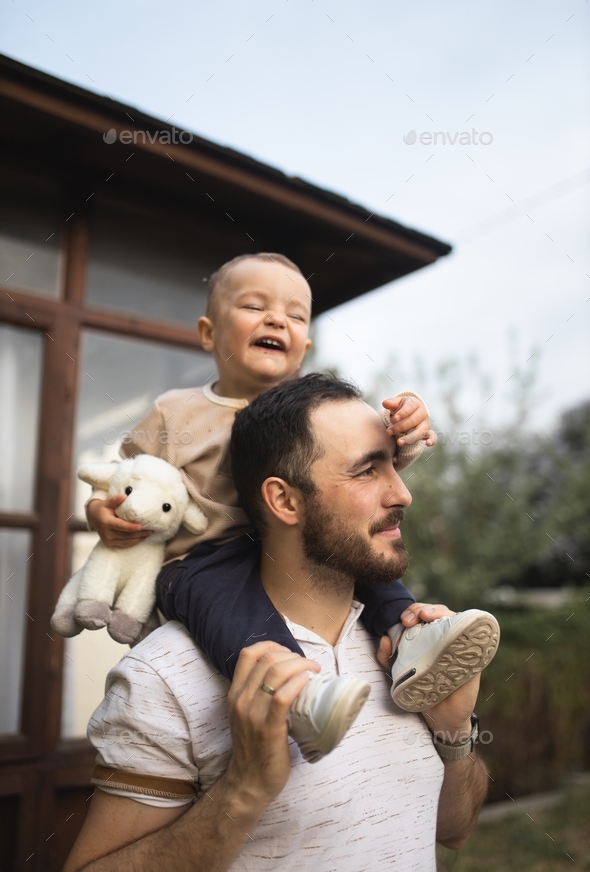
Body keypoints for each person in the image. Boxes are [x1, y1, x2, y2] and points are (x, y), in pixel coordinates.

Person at [65, 374, 490, 872]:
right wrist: (243, 790)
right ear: (284, 500)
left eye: (393, 467)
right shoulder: (164, 677)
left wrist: (455, 731)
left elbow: (454, 832)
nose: (403, 494)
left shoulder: (409, 652)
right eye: (366, 472)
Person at [85, 252, 499, 760]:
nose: (276, 319)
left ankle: (409, 637)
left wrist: (408, 427)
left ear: (304, 346)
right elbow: (127, 477)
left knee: (359, 547)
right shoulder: (176, 411)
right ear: (209, 333)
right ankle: (300, 700)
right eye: (254, 306)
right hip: (202, 559)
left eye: (295, 315)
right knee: (229, 611)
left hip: (294, 542)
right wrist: (103, 514)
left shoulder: (316, 416)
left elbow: (362, 465)